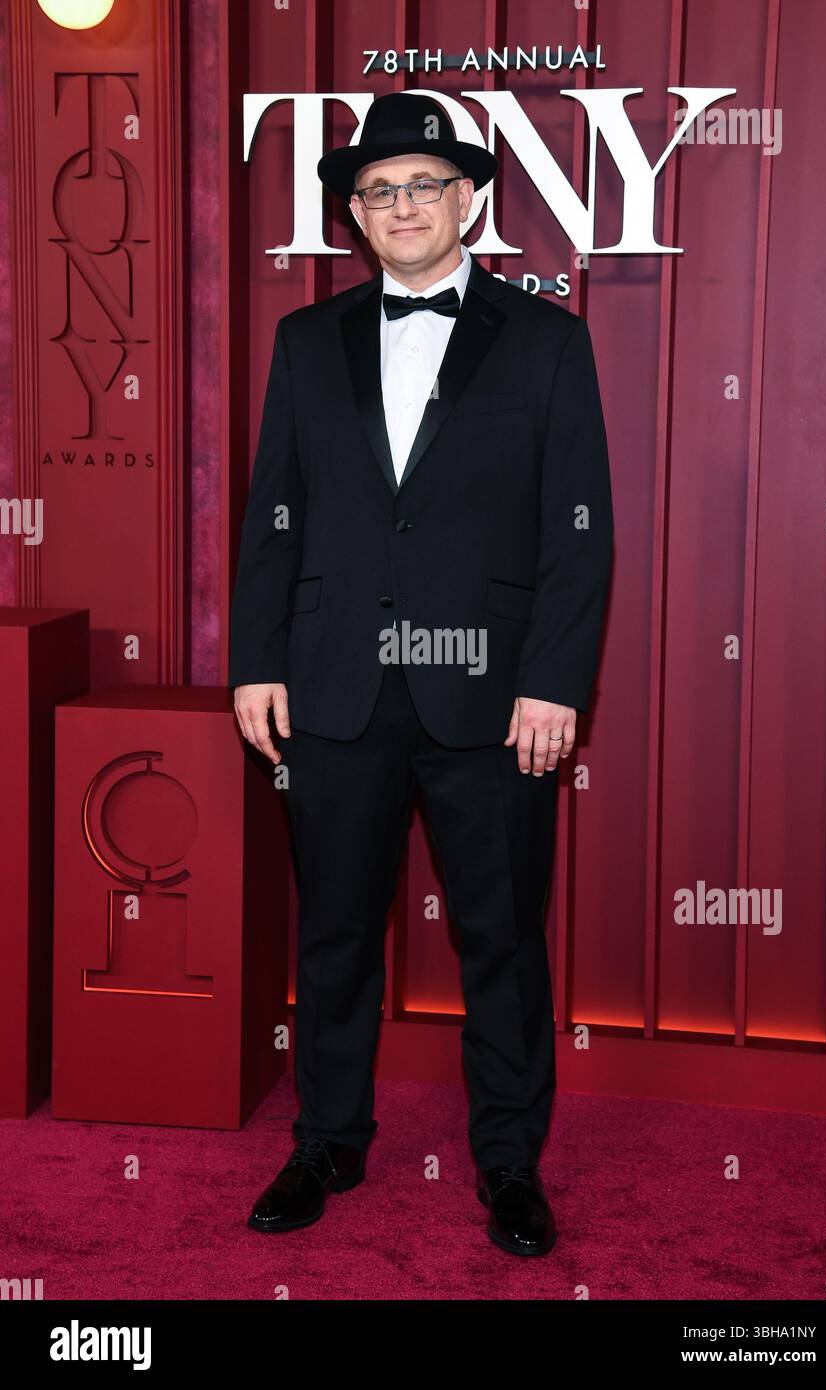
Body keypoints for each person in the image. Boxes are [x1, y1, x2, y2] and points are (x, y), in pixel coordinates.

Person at [229, 91, 613, 1257]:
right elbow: (272, 523)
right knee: (334, 934)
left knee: (498, 937)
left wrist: (553, 683)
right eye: (379, 191)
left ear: (469, 201)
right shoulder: (307, 342)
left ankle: (507, 1161)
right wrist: (255, 662)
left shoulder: (545, 338)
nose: (402, 206)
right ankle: (327, 1142)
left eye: (424, 186)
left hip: (493, 700)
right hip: (335, 684)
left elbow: (579, 528)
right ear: (354, 213)